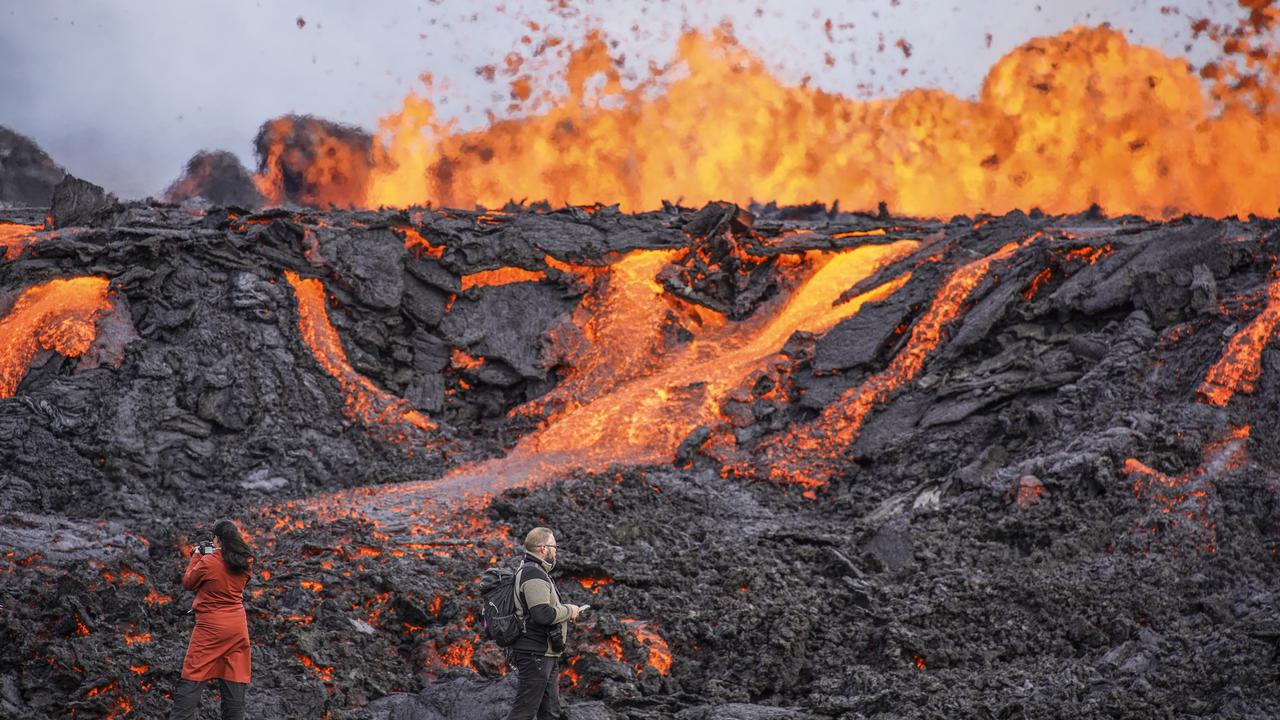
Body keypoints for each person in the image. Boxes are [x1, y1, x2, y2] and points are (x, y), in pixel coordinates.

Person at [168, 519, 254, 720]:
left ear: (217, 539)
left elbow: (189, 582)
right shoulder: (246, 561)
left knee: (193, 673)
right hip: (237, 628)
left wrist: (198, 554)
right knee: (235, 675)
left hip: (210, 629)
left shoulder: (208, 561)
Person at [506, 527, 586, 720]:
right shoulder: (533, 575)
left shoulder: (534, 571)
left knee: (550, 712)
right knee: (523, 713)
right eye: (554, 546)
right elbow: (542, 614)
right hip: (536, 653)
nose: (556, 550)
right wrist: (570, 610)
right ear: (543, 548)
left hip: (545, 653)